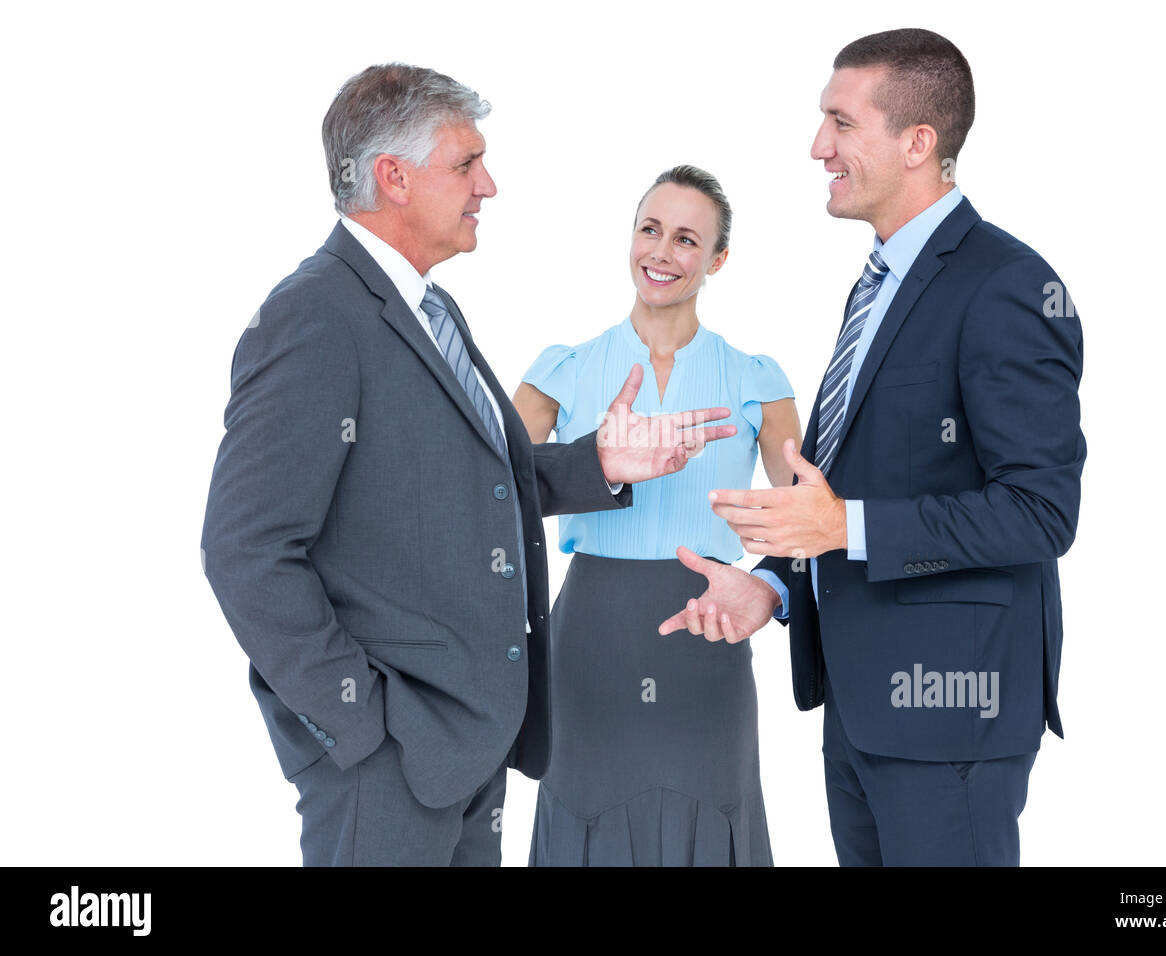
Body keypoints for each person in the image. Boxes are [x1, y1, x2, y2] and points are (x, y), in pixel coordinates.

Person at [200, 64, 737, 866]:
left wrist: (601, 464)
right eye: (466, 164)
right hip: (387, 765)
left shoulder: (431, 308)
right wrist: (358, 728)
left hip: (470, 749)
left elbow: (471, 483)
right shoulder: (314, 317)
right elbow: (244, 551)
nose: (488, 184)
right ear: (394, 178)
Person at [660, 29, 1086, 866]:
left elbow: (1041, 513)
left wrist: (842, 526)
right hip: (860, 708)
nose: (819, 147)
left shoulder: (1004, 286)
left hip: (951, 720)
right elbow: (839, 486)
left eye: (841, 123)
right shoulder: (880, 281)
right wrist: (772, 588)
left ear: (918, 142)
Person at [512, 165, 800, 866]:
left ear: (716, 260)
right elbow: (489, 494)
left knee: (710, 811)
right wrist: (598, 460)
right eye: (649, 230)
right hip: (593, 638)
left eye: (685, 239)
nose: (661, 253)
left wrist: (769, 588)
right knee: (586, 809)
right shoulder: (563, 368)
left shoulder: (757, 378)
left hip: (711, 628)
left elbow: (807, 522)